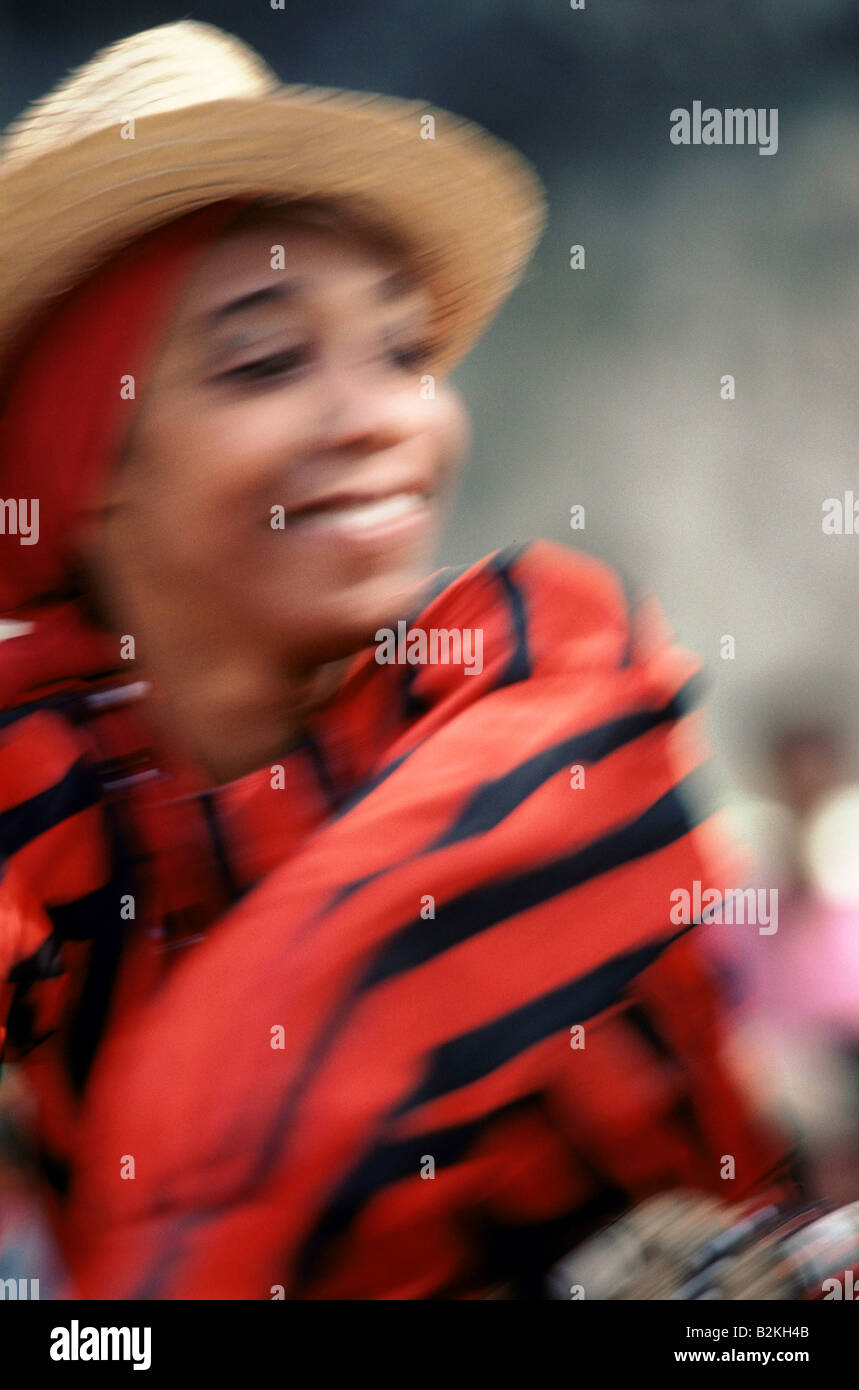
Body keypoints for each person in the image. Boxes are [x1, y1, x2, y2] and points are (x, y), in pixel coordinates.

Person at [0, 21, 797, 1299]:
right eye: (266, 360)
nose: (383, 418)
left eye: (405, 353)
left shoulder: (544, 657)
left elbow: (322, 1015)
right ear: (85, 468)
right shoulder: (50, 775)